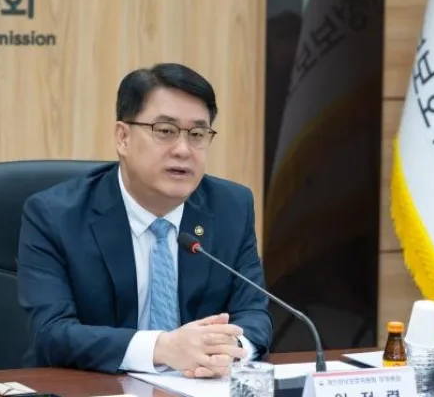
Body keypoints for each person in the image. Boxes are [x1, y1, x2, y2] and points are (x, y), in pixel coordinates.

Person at [16, 62, 273, 378]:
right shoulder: (54, 216)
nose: (183, 149)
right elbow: (51, 334)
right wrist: (161, 348)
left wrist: (229, 351)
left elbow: (254, 314)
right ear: (123, 137)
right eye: (165, 131)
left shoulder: (231, 207)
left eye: (197, 134)